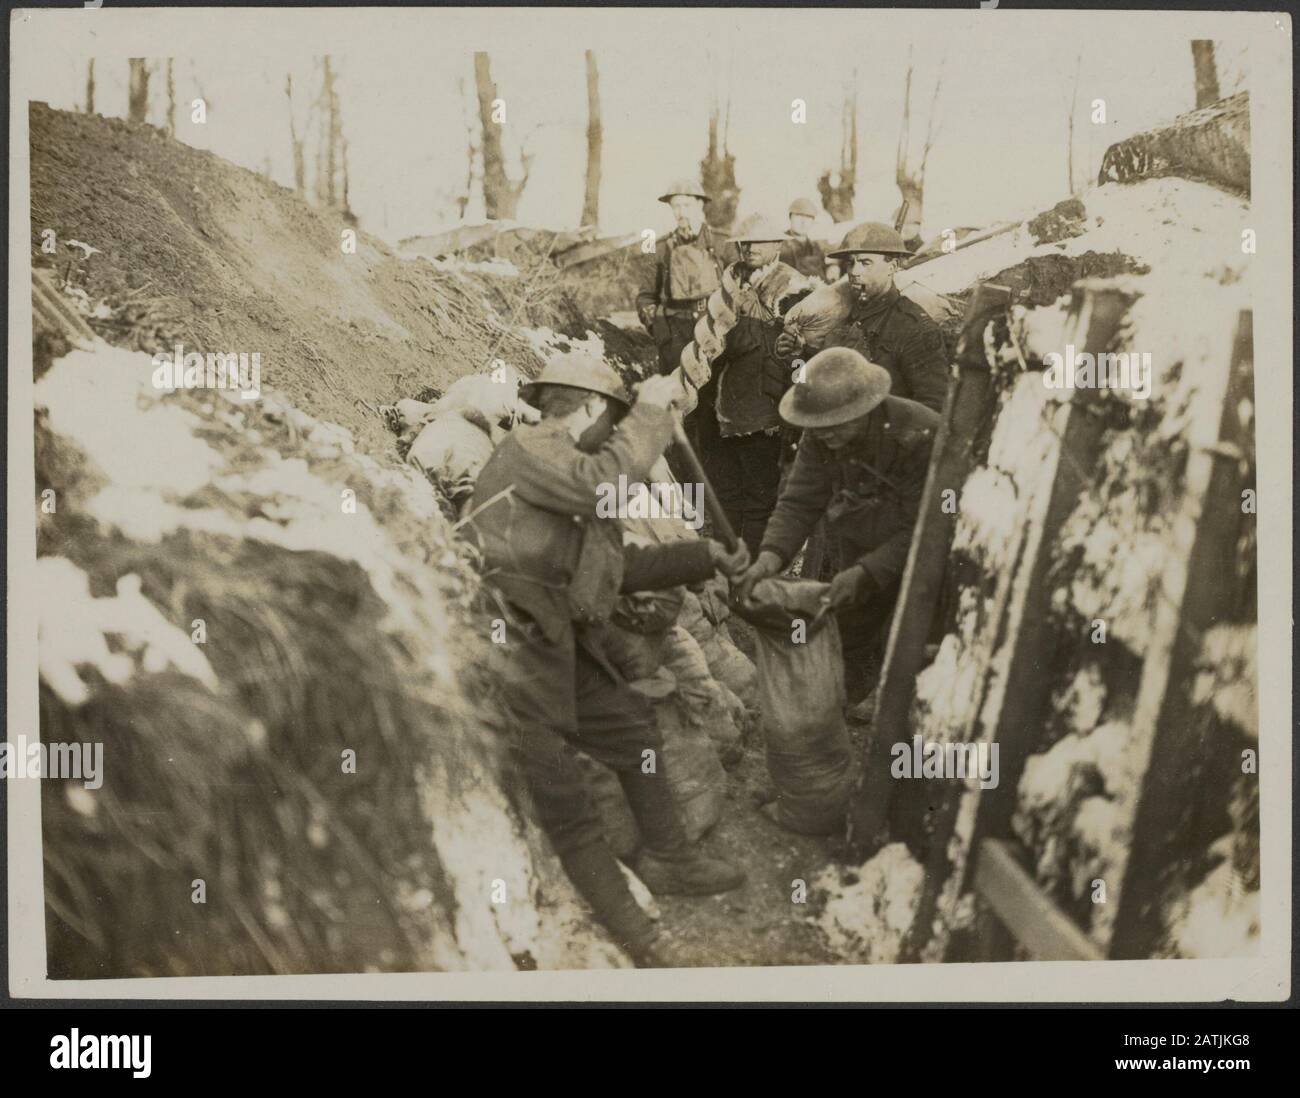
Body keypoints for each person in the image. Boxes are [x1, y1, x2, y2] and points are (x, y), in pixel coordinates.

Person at [468, 352, 749, 967]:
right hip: (509, 650)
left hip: (555, 638)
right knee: (564, 801)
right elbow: (608, 481)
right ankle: (637, 935)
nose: (617, 435)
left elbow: (613, 572)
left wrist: (706, 557)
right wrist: (649, 415)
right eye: (614, 421)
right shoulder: (534, 450)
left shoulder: (564, 479)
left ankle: (671, 859)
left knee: (631, 731)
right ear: (591, 408)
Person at [737, 347, 938, 704]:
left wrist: (867, 571)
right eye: (816, 427)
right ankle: (848, 702)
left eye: (834, 425)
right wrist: (769, 557)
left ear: (865, 408)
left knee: (916, 637)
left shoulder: (918, 435)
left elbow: (927, 524)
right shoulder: (822, 432)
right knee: (850, 628)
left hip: (926, 553)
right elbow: (800, 501)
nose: (822, 434)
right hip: (860, 543)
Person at [691, 215, 812, 555]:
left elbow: (803, 354)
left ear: (778, 245)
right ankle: (725, 577)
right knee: (724, 497)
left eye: (758, 242)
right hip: (720, 406)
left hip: (762, 410)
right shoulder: (728, 282)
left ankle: (752, 580)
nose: (749, 249)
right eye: (744, 243)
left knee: (758, 500)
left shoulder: (793, 288)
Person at [775, 222, 950, 414]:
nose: (854, 271)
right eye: (850, 263)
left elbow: (932, 408)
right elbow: (815, 386)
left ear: (892, 267)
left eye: (866, 263)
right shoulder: (840, 315)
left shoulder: (914, 327)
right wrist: (798, 353)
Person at [635, 179, 725, 377]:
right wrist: (657, 327)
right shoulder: (659, 248)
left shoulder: (721, 243)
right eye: (676, 206)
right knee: (676, 395)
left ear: (700, 205)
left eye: (687, 205)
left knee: (713, 394)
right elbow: (645, 295)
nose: (681, 212)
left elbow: (739, 289)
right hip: (674, 333)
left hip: (713, 328)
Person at [778, 197, 826, 279]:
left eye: (808, 217)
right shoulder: (779, 245)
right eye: (798, 216)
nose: (803, 222)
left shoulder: (816, 247)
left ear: (813, 221)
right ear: (790, 217)